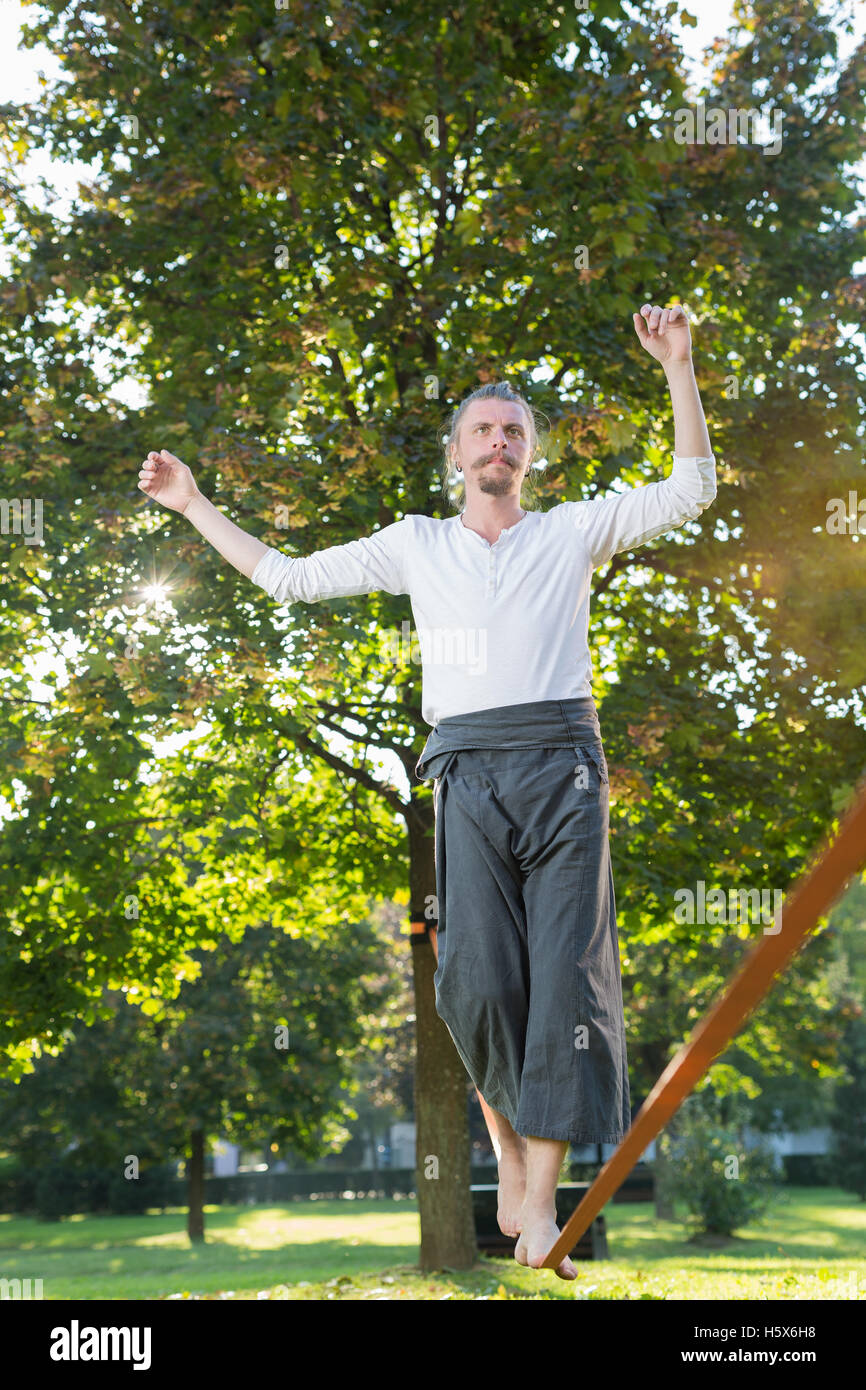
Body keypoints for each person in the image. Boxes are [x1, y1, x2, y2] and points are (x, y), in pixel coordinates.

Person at [138, 302, 716, 1279]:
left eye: (514, 430)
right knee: (477, 984)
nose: (499, 440)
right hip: (466, 774)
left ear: (528, 456)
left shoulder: (571, 532)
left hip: (563, 766)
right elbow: (283, 578)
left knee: (564, 986)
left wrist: (677, 365)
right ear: (457, 455)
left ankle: (534, 1203)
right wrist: (193, 504)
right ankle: (505, 1155)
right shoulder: (415, 543)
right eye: (483, 429)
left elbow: (691, 487)